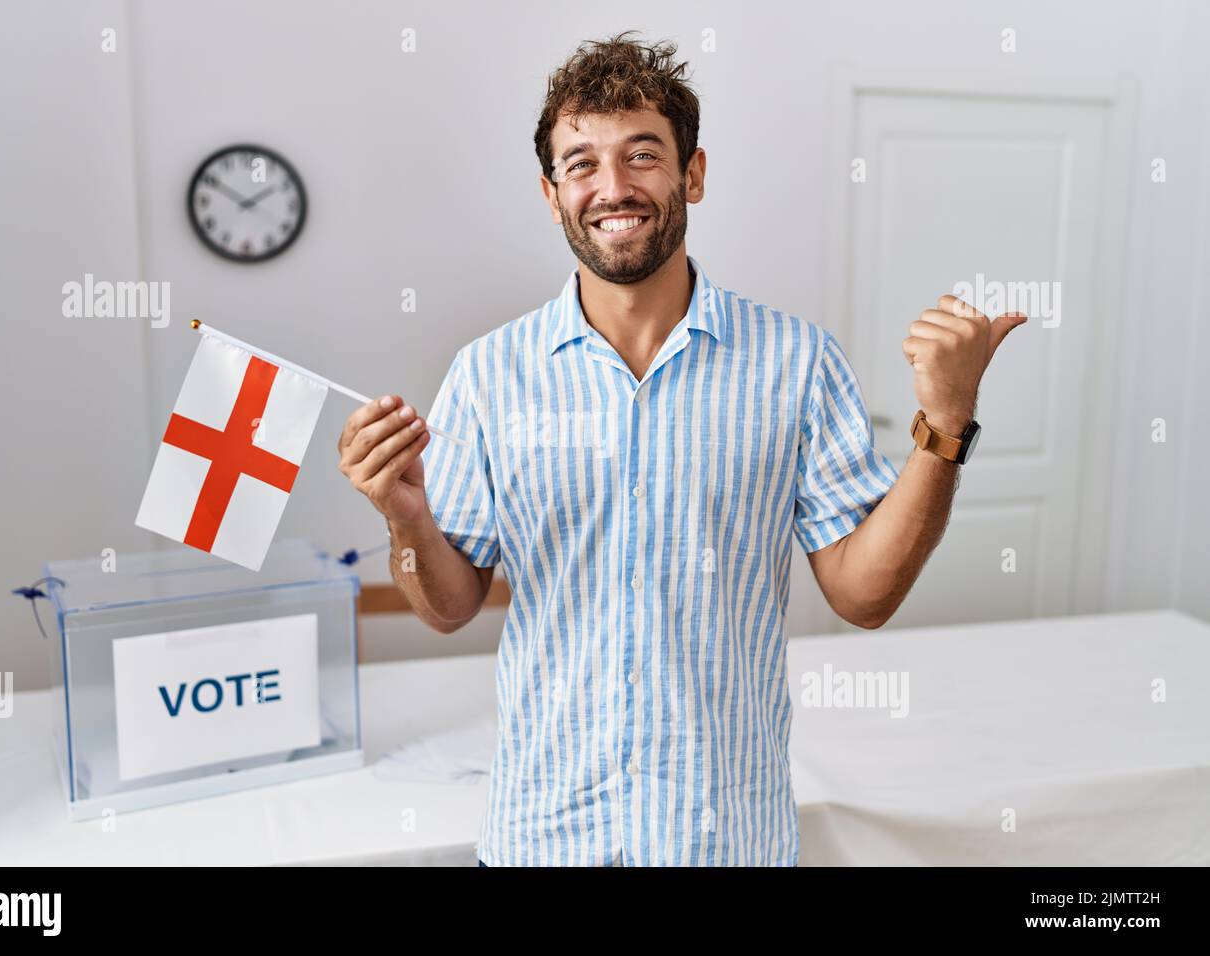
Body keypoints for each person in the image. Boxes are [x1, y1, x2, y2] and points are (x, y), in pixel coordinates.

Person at [337, 31, 1024, 866]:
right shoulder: (487, 375)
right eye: (581, 163)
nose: (613, 187)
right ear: (551, 194)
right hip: (543, 836)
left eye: (642, 154)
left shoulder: (795, 361)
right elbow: (447, 606)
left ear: (692, 174)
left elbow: (862, 596)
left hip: (724, 837)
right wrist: (405, 517)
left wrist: (945, 426)